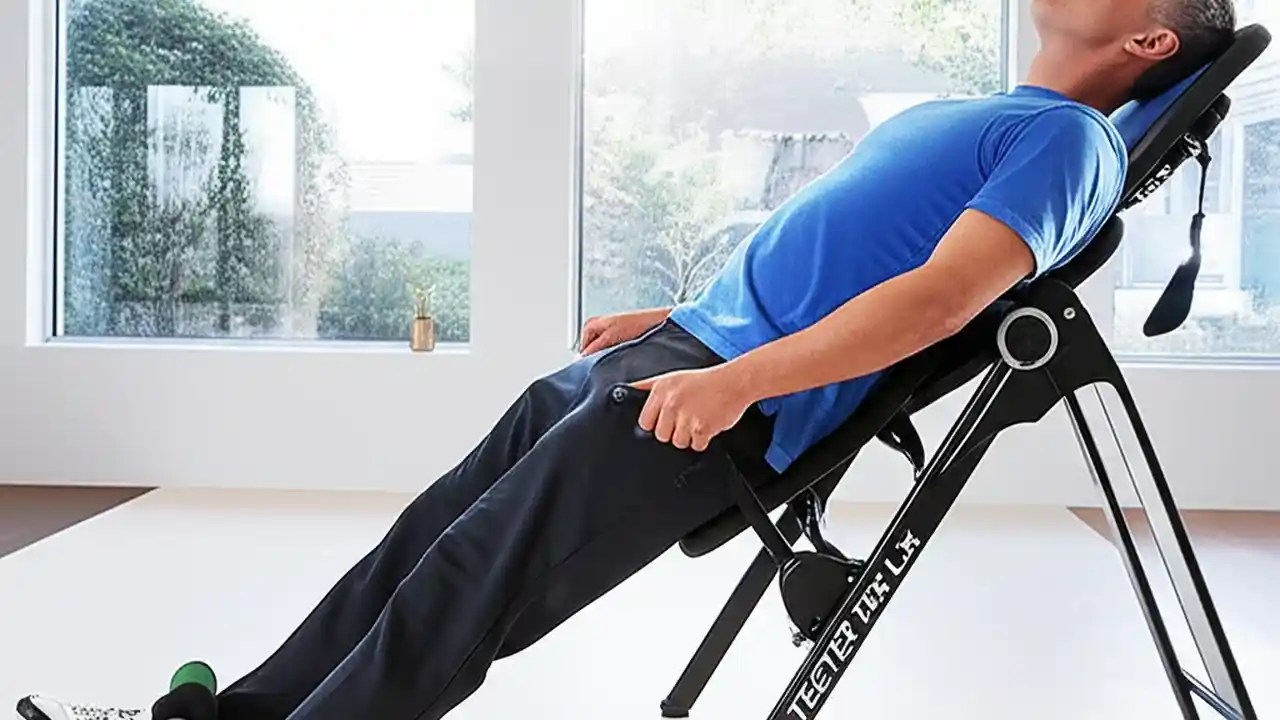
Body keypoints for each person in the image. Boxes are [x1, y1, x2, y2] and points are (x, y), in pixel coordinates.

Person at [18, 0, 1236, 718]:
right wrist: (673, 318)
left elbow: (933, 302)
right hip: (672, 351)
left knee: (465, 590)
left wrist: (732, 382)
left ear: (1142, 36)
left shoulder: (1070, 143)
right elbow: (843, 252)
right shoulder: (985, 111)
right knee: (420, 549)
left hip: (711, 401)